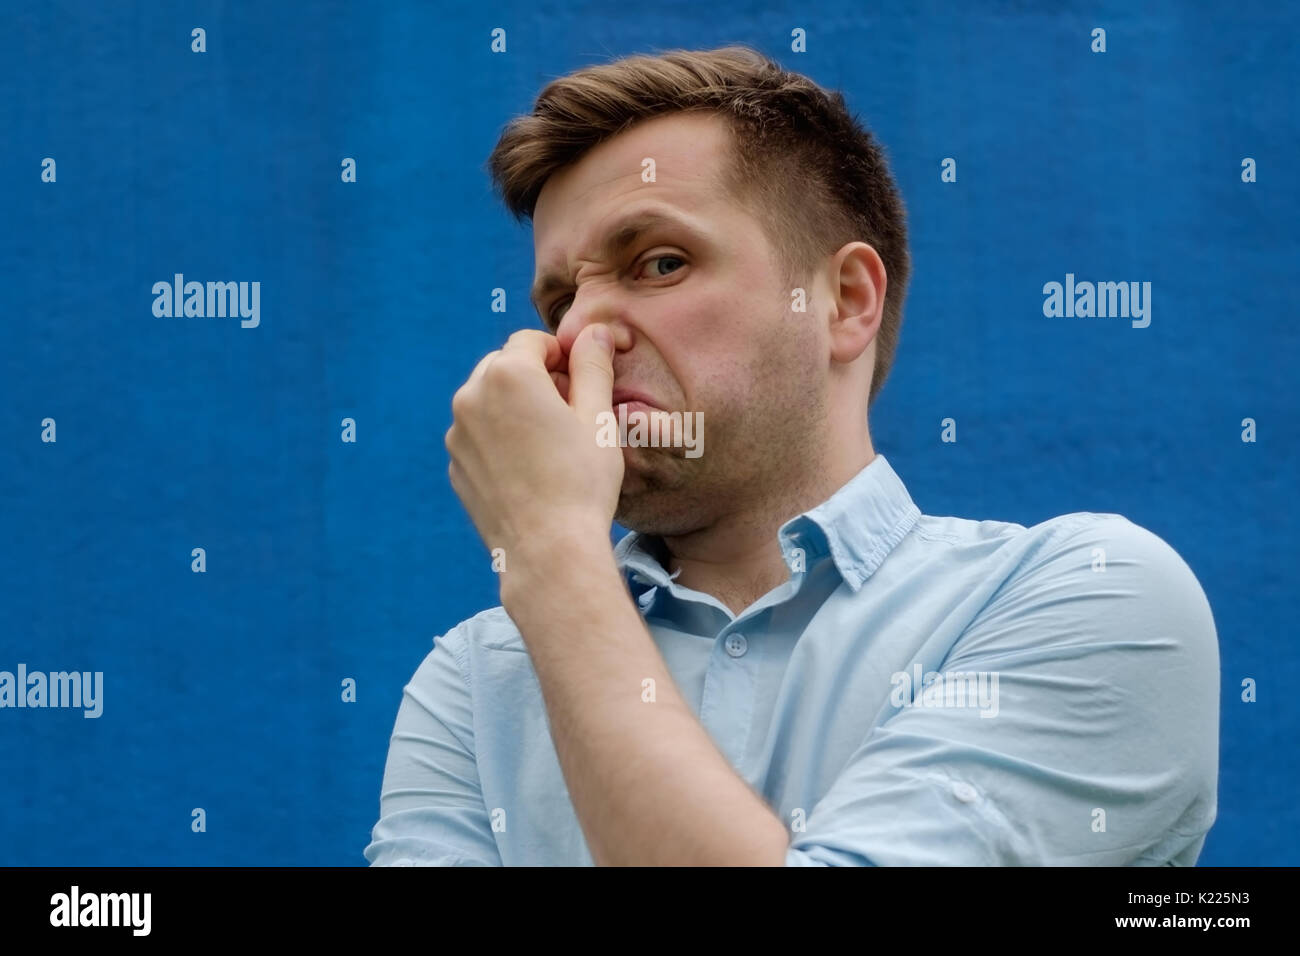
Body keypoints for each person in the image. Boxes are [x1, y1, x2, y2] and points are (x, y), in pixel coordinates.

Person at [363, 45, 1218, 866]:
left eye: (659, 262)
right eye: (560, 298)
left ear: (845, 302)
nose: (579, 330)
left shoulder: (1092, 594)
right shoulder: (476, 684)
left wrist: (551, 550)